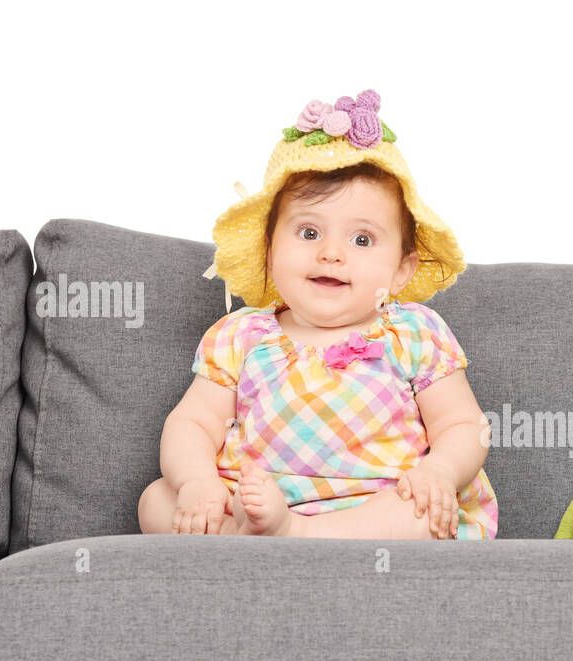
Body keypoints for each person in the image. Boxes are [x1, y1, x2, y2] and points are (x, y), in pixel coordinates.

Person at [138, 90, 498, 540]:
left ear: (403, 268)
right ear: (269, 254)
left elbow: (464, 424)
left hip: (371, 511)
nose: (331, 254)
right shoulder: (241, 335)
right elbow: (192, 422)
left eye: (362, 240)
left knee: (422, 514)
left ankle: (296, 537)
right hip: (251, 501)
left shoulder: (414, 332)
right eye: (309, 232)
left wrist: (441, 471)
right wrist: (197, 483)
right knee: (157, 501)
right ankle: (249, 535)